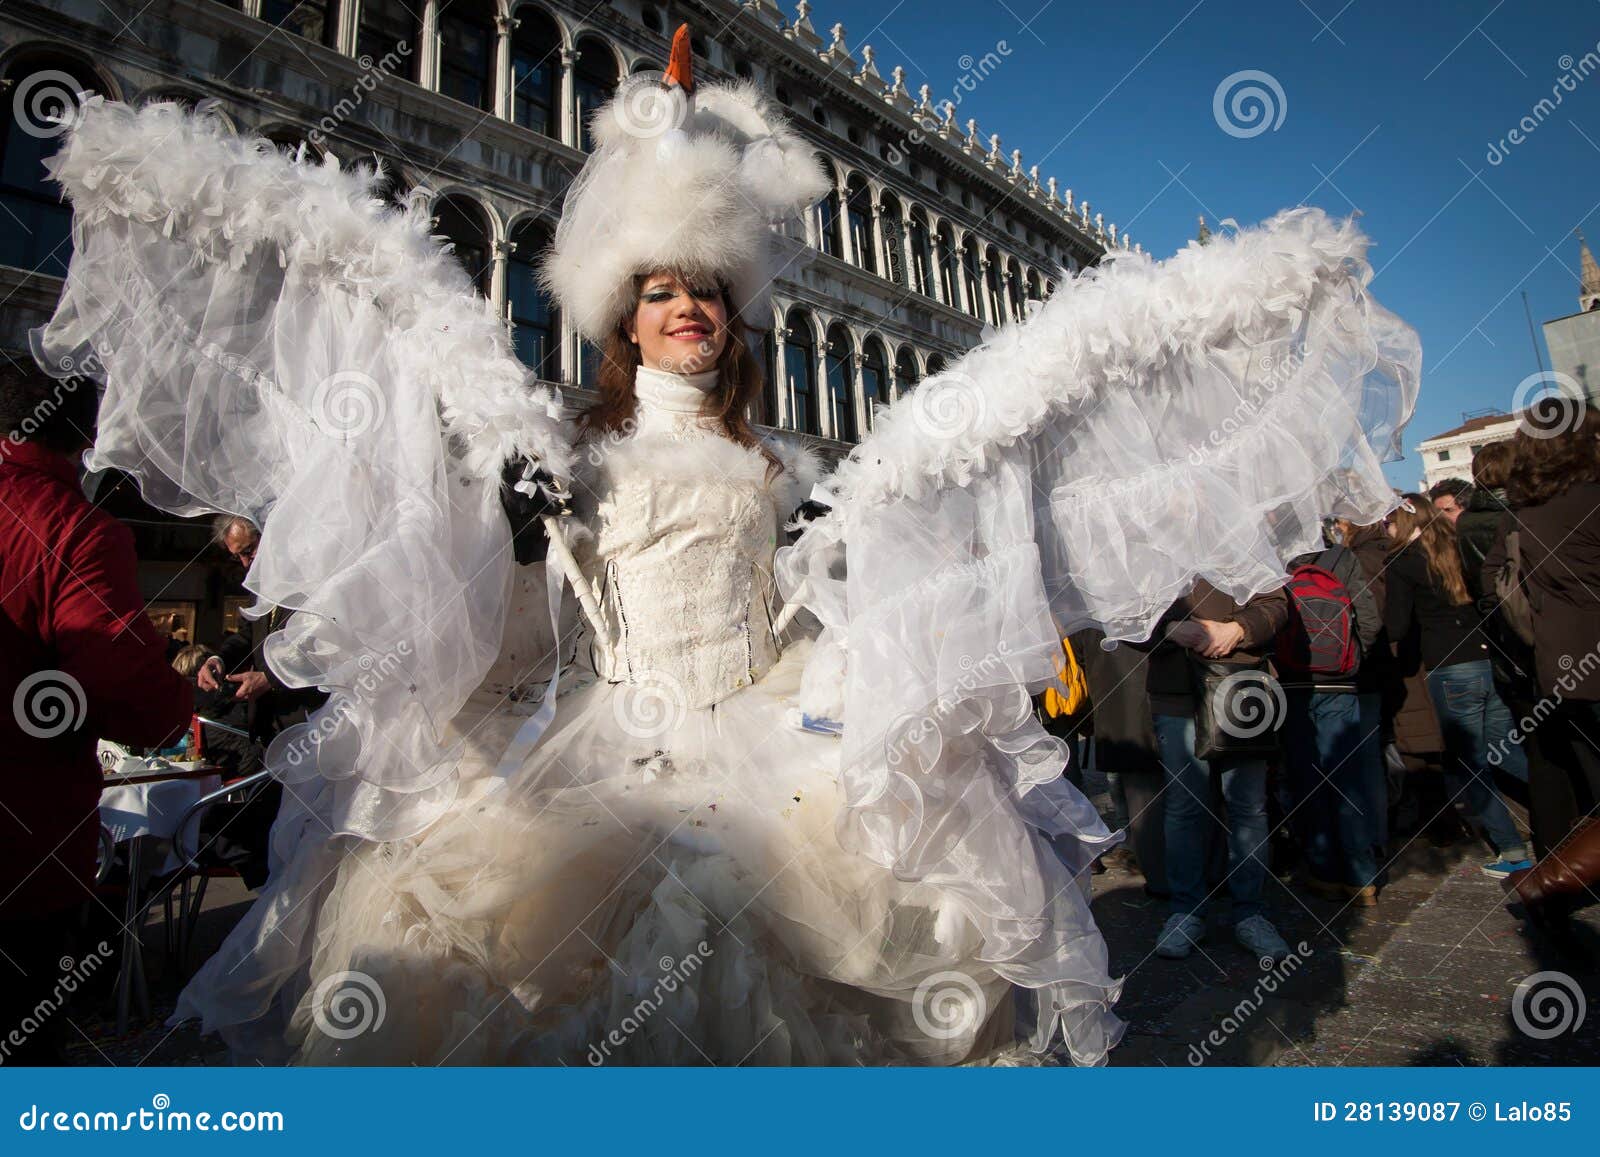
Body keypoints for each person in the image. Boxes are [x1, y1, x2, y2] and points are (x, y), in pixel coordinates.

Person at [34, 27, 1420, 1067]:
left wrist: (853, 598)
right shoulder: (561, 451)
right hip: (601, 746)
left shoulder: (778, 467)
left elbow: (801, 615)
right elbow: (525, 637)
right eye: (657, 291)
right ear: (620, 315)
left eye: (704, 288)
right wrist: (510, 536)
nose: (684, 307)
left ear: (733, 309)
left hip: (767, 745)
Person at [0, 361, 193, 1062]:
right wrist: (174, 689)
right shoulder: (70, 528)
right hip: (21, 860)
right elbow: (131, 697)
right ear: (88, 436)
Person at [1485, 402, 1600, 912]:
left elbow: (1493, 583)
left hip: (1560, 668)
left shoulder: (1524, 512)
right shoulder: (1590, 499)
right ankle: (1552, 881)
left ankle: (1553, 881)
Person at [1146, 581, 1294, 962]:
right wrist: (1168, 628)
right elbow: (1126, 615)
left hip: (1242, 683)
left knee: (1248, 806)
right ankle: (1186, 912)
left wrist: (1238, 629)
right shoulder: (1150, 547)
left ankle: (1250, 912)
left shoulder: (1247, 543)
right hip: (1177, 694)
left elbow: (1277, 605)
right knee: (1184, 807)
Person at [1385, 494, 1531, 876]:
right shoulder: (1457, 548)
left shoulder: (1403, 562)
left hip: (1449, 667)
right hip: (1486, 658)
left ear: (1402, 522)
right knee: (1508, 750)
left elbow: (1397, 626)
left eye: (1389, 522)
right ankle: (1567, 811)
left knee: (1472, 763)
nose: (1386, 529)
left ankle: (1512, 850)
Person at [1278, 530, 1385, 905]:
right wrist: (1351, 658)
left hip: (1293, 683)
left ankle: (1323, 871)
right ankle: (1361, 877)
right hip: (1340, 683)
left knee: (1306, 778)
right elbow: (1369, 618)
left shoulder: (1272, 557)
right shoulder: (1340, 556)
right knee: (1347, 778)